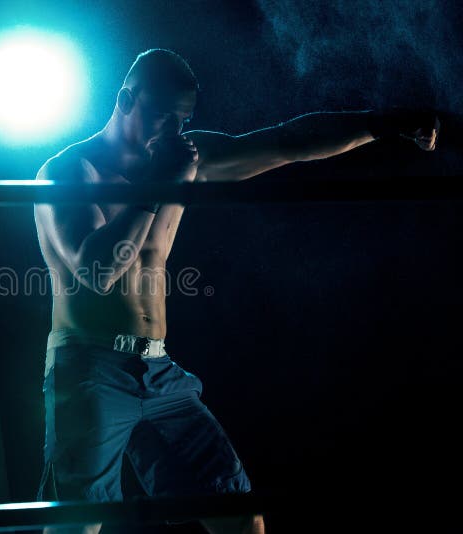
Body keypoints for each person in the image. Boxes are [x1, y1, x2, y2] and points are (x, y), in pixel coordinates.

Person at [33, 48, 439, 534]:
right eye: (163, 116)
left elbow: (286, 142)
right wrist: (163, 184)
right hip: (90, 369)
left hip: (160, 372)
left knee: (241, 517)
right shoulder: (70, 173)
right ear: (125, 99)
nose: (173, 134)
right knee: (79, 526)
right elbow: (98, 272)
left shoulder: (183, 157)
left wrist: (382, 123)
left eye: (182, 122)